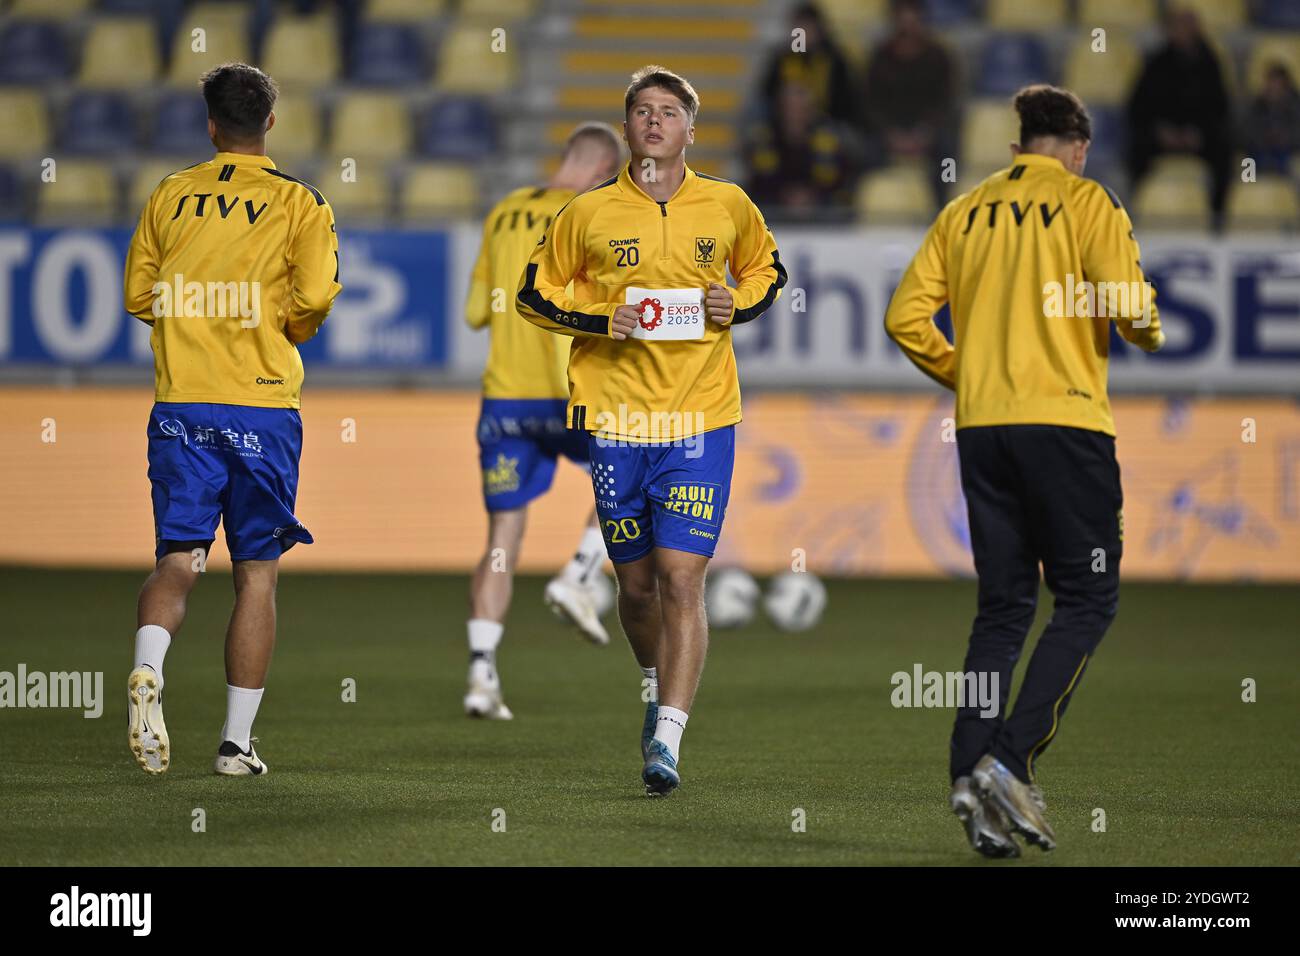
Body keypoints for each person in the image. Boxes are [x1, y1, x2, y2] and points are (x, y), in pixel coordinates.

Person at [884, 85, 1164, 855]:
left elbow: (903, 317)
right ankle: (1010, 761)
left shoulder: (963, 210)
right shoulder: (1087, 201)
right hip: (1066, 422)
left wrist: (968, 375)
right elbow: (1132, 308)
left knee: (1004, 606)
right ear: (1077, 148)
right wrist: (1146, 324)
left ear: (1016, 149)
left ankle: (968, 775)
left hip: (982, 428)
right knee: (1087, 597)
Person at [516, 66, 786, 796]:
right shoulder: (589, 213)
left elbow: (769, 269)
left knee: (679, 578)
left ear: (691, 130)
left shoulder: (727, 204)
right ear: (628, 128)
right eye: (643, 111)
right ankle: (652, 684)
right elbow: (533, 294)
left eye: (670, 112)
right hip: (616, 419)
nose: (656, 122)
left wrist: (741, 303)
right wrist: (605, 318)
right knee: (635, 590)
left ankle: (668, 734)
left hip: (701, 419)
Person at [122, 62, 341, 776]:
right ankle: (234, 744)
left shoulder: (171, 193)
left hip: (183, 402)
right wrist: (277, 324)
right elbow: (312, 299)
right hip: (262, 406)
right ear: (269, 123)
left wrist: (193, 319)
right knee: (256, 577)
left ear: (211, 124)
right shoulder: (300, 202)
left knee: (179, 561)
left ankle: (149, 668)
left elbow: (139, 294)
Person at [462, 123, 624, 720]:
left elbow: (475, 311)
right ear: (607, 168)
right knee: (632, 477)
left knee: (502, 541)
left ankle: (481, 676)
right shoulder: (590, 213)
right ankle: (579, 574)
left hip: (506, 401)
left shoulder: (504, 210)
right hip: (571, 391)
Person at [1125, 5, 1232, 229]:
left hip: (1199, 137)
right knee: (1136, 149)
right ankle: (1135, 213)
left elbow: (1220, 108)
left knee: (1225, 153)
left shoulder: (1211, 62)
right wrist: (1161, 131)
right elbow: (1137, 107)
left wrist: (1199, 133)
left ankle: (1218, 218)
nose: (1183, 31)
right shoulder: (1157, 62)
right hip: (1163, 137)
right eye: (1178, 26)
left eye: (1188, 26)